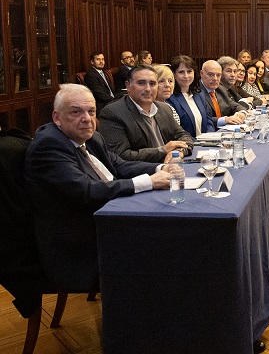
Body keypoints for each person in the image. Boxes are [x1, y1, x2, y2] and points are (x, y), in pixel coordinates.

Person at [25, 84, 171, 290]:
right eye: (76, 112)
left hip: (104, 223)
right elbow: (87, 190)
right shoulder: (49, 145)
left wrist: (161, 167)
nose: (86, 119)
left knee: (166, 234)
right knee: (162, 243)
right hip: (78, 246)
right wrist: (148, 182)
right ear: (57, 118)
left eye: (91, 112)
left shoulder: (92, 136)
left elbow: (119, 165)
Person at [98, 65, 193, 162]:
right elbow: (120, 156)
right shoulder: (113, 113)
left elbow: (184, 136)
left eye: (152, 84)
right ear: (128, 86)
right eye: (141, 83)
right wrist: (163, 150)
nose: (148, 89)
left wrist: (180, 151)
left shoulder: (164, 108)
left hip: (170, 167)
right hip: (143, 173)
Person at [167, 55, 215, 138]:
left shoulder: (199, 95)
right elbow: (178, 131)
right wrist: (197, 144)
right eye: (181, 72)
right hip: (189, 146)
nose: (186, 76)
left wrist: (209, 139)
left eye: (189, 71)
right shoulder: (170, 99)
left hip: (206, 145)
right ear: (174, 74)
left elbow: (208, 122)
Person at [200, 59, 246, 127]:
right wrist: (224, 120)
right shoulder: (197, 91)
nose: (215, 78)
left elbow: (235, 106)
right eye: (211, 75)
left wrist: (242, 113)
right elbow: (201, 119)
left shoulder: (221, 89)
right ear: (202, 74)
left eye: (218, 75)